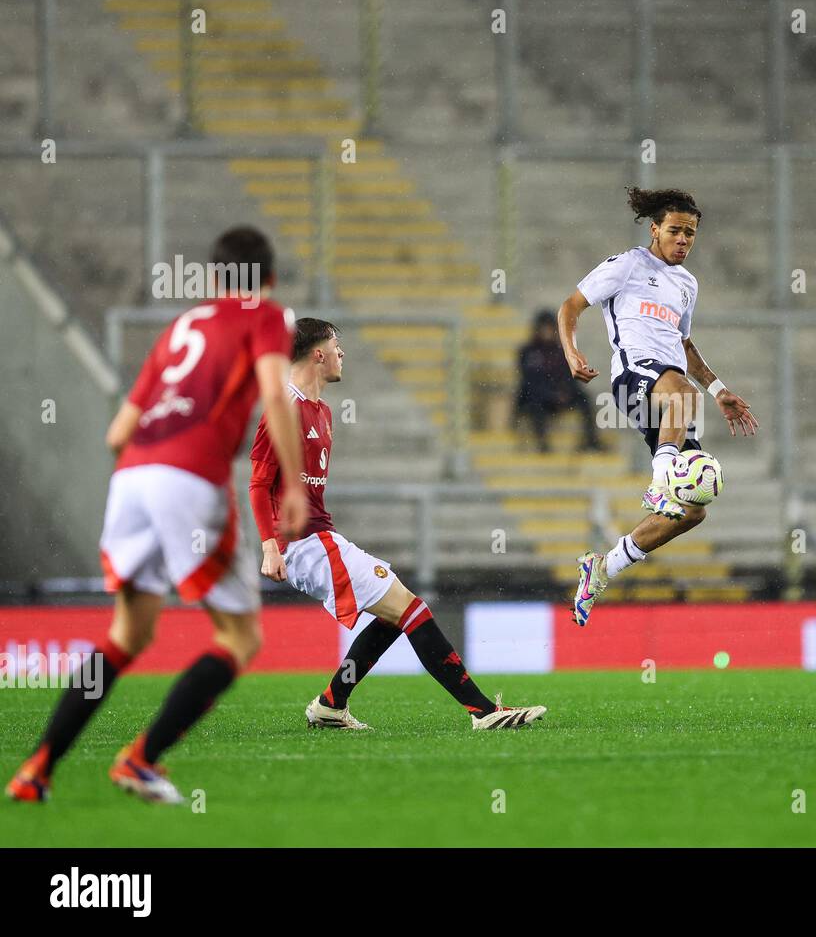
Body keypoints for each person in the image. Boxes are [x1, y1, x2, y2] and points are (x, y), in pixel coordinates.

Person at [6, 225, 308, 804]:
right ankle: (141, 759)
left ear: (217, 278)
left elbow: (116, 432)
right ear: (265, 279)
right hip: (189, 475)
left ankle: (36, 769)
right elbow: (275, 393)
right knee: (241, 637)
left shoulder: (179, 329)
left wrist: (151, 482)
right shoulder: (266, 315)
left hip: (133, 476)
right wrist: (291, 484)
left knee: (129, 632)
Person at [249, 317, 546, 731]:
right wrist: (269, 546)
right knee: (412, 609)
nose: (342, 353)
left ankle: (332, 704)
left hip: (319, 537)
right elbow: (259, 483)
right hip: (304, 543)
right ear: (318, 354)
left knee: (395, 613)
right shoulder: (285, 407)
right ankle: (483, 712)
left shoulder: (322, 410)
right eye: (336, 345)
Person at [557, 186, 759, 626]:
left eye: (690, 233)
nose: (683, 240)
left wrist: (719, 387)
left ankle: (605, 568)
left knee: (693, 508)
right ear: (655, 229)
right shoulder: (628, 266)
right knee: (682, 393)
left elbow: (682, 343)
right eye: (675, 231)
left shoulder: (687, 284)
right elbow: (570, 307)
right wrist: (572, 352)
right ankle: (659, 479)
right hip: (634, 377)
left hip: (669, 394)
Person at [515, 309, 602, 452]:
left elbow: (570, 377)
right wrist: (551, 394)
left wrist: (564, 392)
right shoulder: (528, 351)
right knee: (535, 404)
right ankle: (543, 445)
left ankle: (591, 439)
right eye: (544, 328)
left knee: (584, 398)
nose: (547, 332)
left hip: (559, 395)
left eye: (549, 328)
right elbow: (530, 381)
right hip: (539, 397)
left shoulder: (562, 352)